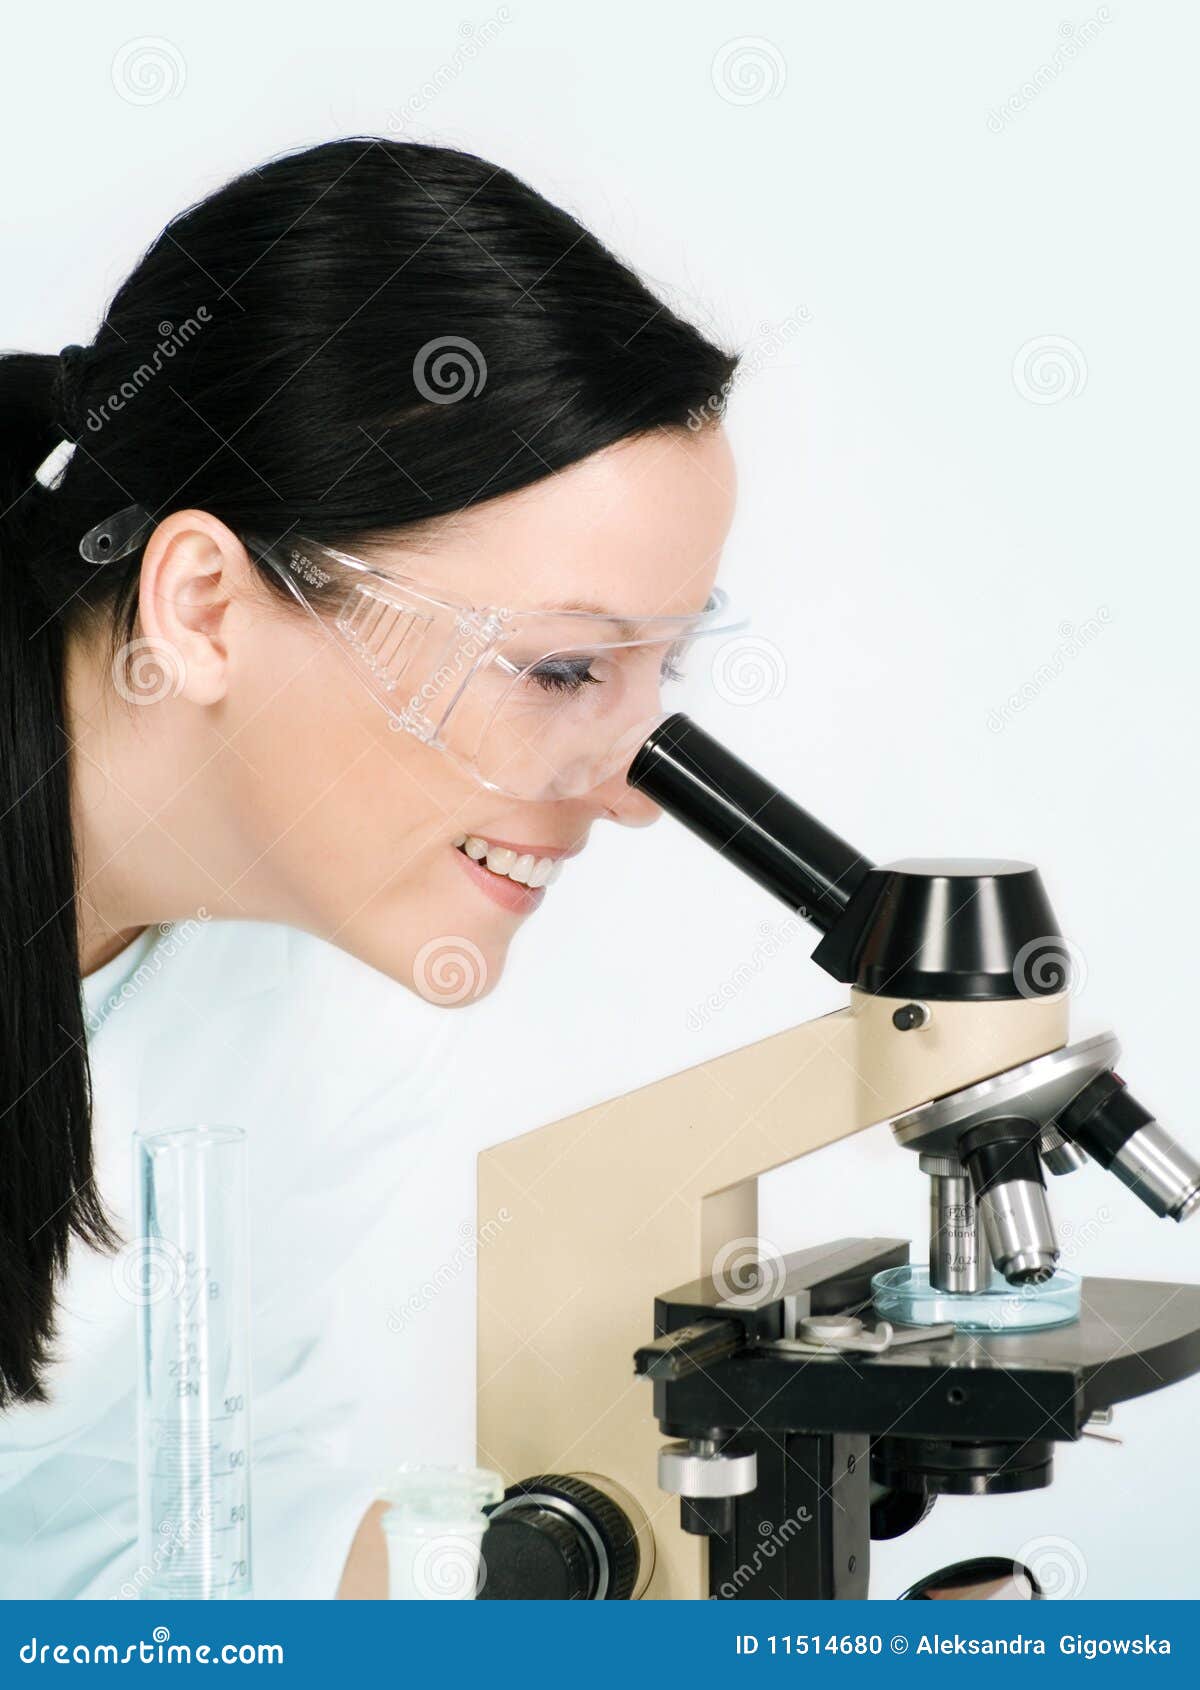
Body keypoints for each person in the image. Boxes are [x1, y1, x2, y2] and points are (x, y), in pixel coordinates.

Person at [0, 137, 739, 1597]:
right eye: (559, 667)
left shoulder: (315, 997)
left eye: (655, 676)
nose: (630, 792)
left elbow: (168, 1568)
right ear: (205, 605)